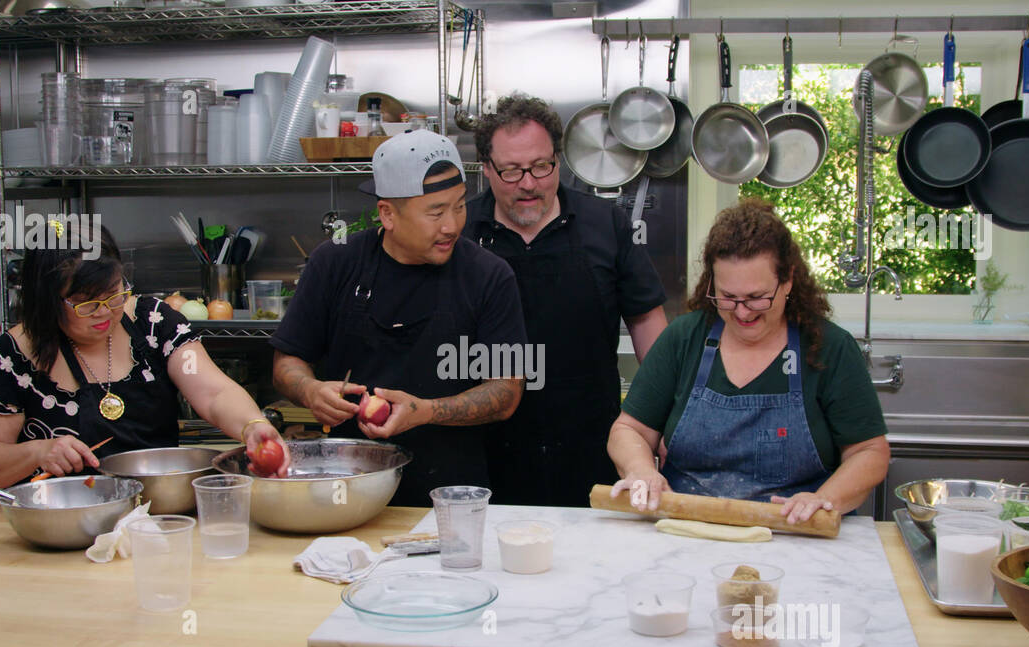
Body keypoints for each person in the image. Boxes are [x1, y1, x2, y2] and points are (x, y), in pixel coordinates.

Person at [269, 129, 528, 507]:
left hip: (451, 495)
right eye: (435, 212)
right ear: (387, 214)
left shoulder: (491, 275)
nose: (452, 225)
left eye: (459, 205)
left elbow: (507, 392)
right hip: (348, 488)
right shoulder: (334, 262)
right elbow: (287, 361)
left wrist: (425, 411)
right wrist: (309, 390)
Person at [608, 199, 889, 524]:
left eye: (757, 298)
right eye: (728, 297)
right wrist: (642, 470)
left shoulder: (828, 347)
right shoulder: (684, 339)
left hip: (799, 535)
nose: (742, 312)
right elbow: (629, 430)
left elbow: (869, 452)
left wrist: (825, 499)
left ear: (787, 280)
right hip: (687, 530)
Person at [0, 223, 288, 487]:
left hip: (157, 513)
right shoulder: (13, 357)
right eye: (87, 303)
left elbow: (213, 390)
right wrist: (39, 451)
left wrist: (251, 425)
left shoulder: (155, 324)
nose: (105, 312)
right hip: (58, 521)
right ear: (47, 301)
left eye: (115, 293)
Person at [464, 93, 668, 507]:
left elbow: (651, 331)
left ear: (557, 159)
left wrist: (664, 421)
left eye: (541, 166)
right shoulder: (461, 232)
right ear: (486, 169)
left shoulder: (605, 224)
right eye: (510, 171)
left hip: (591, 444)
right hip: (484, 450)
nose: (528, 183)